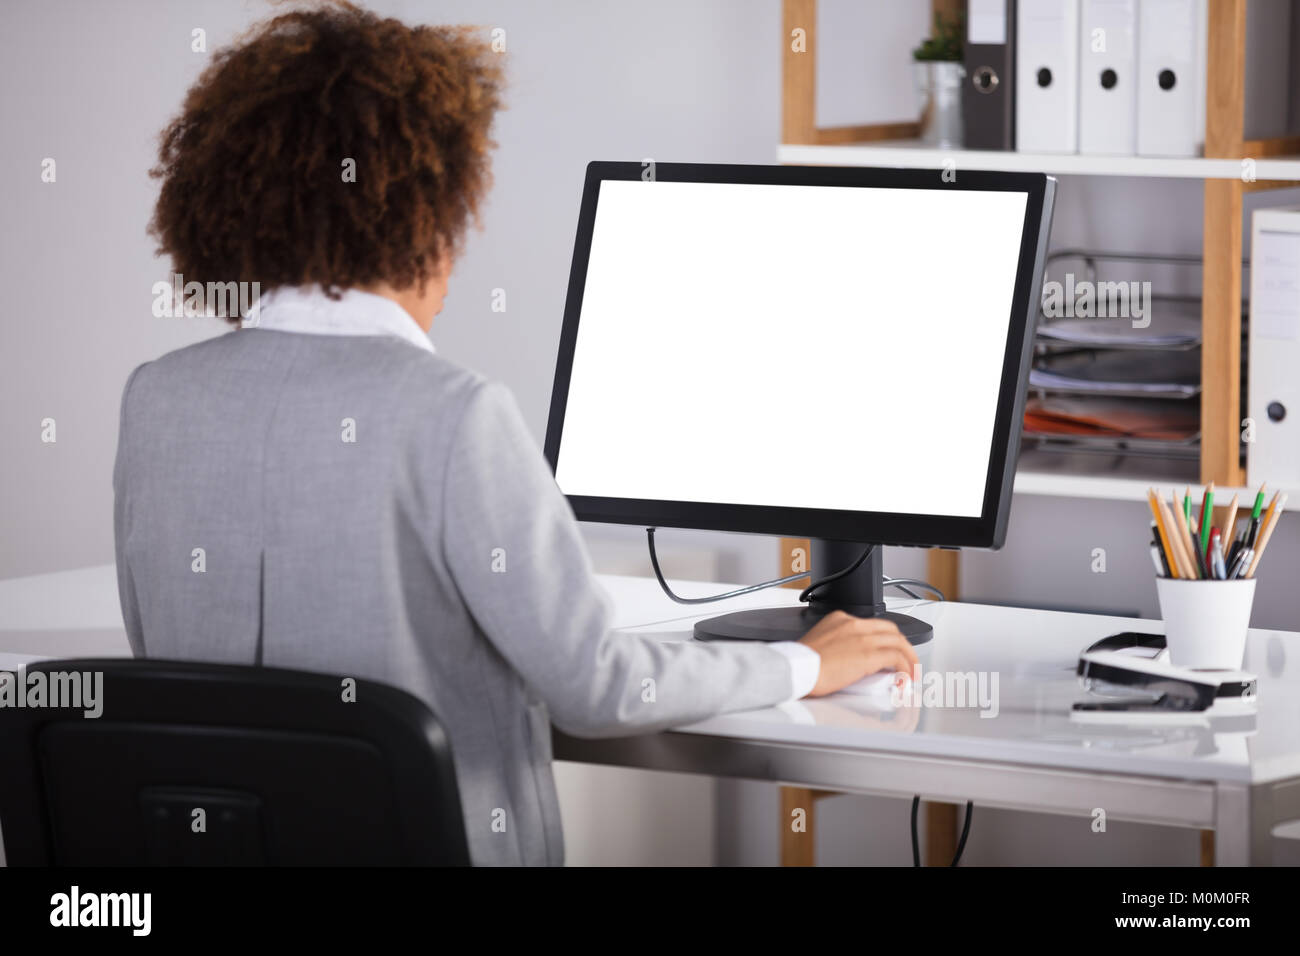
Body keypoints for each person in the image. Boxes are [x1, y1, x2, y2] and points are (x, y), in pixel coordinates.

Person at [115, 2, 915, 866]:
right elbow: (596, 687)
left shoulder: (159, 400)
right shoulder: (453, 412)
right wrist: (806, 662)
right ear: (429, 212)